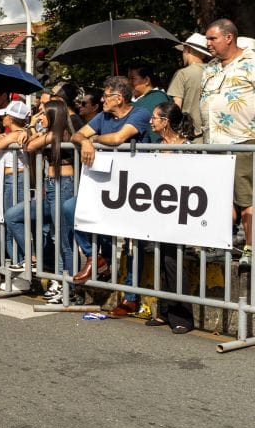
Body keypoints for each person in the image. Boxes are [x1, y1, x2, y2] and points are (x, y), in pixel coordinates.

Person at [64, 76, 151, 286]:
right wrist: (85, 141)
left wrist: (92, 139)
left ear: (119, 98)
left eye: (105, 96)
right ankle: (94, 257)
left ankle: (131, 296)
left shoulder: (139, 113)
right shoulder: (103, 116)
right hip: (104, 186)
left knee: (132, 242)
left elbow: (118, 138)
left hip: (134, 187)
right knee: (70, 208)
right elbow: (77, 136)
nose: (102, 100)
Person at [200, 18, 255, 271]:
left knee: (246, 200)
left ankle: (250, 249)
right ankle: (220, 246)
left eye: (212, 38)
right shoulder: (210, 67)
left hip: (242, 139)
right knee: (219, 200)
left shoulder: (251, 61)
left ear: (229, 37)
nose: (207, 43)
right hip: (213, 143)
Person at [11, 100, 77, 303]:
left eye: (42, 113)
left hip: (63, 186)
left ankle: (67, 286)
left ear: (53, 115)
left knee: (63, 239)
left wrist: (30, 125)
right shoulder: (51, 134)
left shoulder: (58, 133)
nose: (39, 117)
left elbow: (29, 146)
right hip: (51, 187)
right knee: (14, 215)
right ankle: (32, 260)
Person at [146, 101, 196, 333]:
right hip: (160, 210)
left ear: (165, 121)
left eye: (155, 117)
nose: (151, 121)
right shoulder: (155, 146)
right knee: (162, 258)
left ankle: (183, 317)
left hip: (181, 211)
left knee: (173, 259)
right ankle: (165, 311)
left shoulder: (187, 147)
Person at [0, 100, 31, 288]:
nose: (2, 118)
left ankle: (23, 272)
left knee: (10, 226)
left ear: (10, 118)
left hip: (14, 181)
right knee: (7, 227)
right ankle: (20, 270)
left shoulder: (14, 135)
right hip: (11, 180)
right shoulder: (16, 134)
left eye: (5, 115)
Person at [167, 32, 210, 142]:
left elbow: (175, 108)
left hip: (191, 136)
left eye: (183, 51)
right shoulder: (214, 70)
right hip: (213, 135)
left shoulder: (183, 74)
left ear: (188, 50)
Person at [126, 62, 170, 142]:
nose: (129, 83)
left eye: (132, 79)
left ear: (146, 80)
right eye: (128, 79)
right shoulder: (129, 99)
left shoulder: (158, 98)